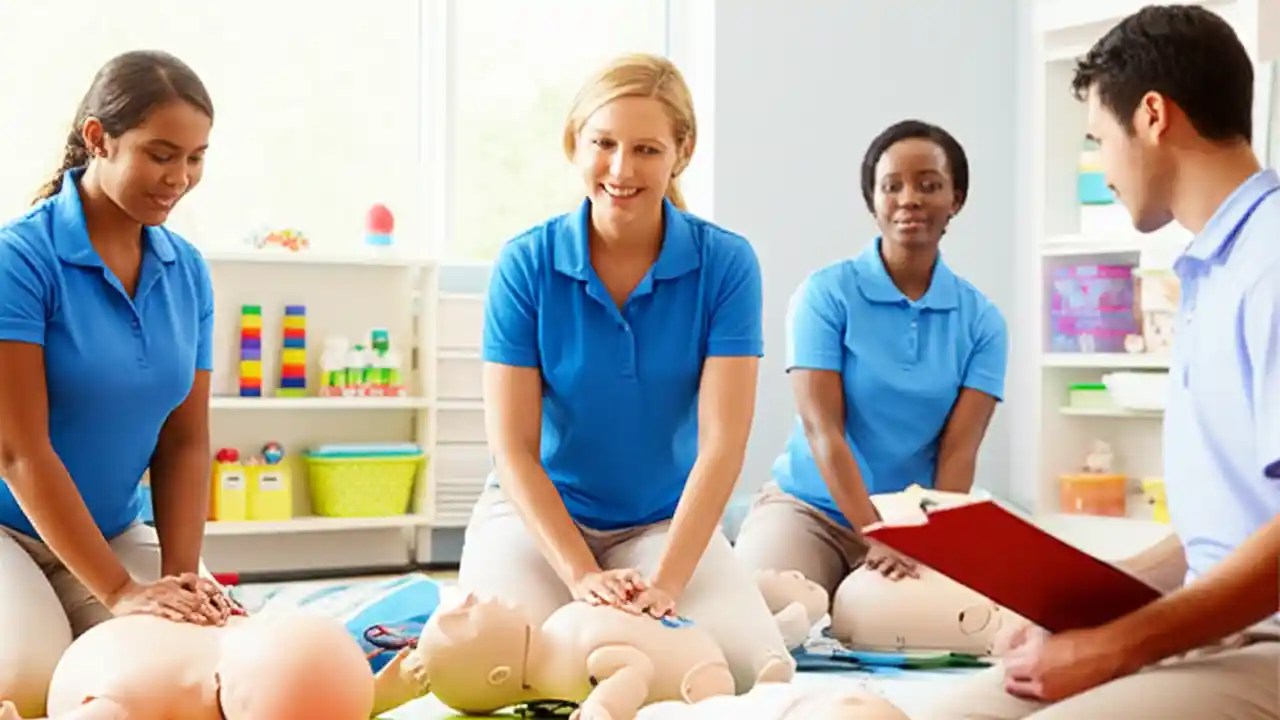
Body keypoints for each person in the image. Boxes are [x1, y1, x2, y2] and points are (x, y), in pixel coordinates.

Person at [918, 6, 1280, 719]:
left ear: (1152, 115)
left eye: (1097, 140)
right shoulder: (1214, 266)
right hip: (1207, 630)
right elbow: (1233, 525)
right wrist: (1092, 606)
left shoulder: (1270, 259)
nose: (1099, 165)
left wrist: (1119, 647)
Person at [457, 52, 791, 694]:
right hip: (539, 521)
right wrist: (582, 576)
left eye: (646, 149)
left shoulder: (726, 264)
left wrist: (667, 583)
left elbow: (723, 444)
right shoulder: (525, 264)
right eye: (603, 143)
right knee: (496, 674)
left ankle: (775, 609)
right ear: (573, 144)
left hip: (661, 524)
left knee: (752, 675)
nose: (621, 169)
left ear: (681, 152)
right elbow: (514, 450)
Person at [0, 50, 231, 716]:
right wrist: (122, 592)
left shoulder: (187, 271)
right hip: (6, 526)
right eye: (161, 154)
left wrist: (178, 580)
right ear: (98, 138)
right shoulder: (20, 259)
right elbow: (17, 450)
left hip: (113, 526)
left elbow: (186, 440)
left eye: (195, 158)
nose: (179, 178)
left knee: (204, 661)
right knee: (25, 679)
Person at [733, 120, 1008, 599]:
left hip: (914, 524)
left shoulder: (982, 321)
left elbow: (958, 453)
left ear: (955, 200)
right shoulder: (826, 294)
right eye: (892, 186)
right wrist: (872, 532)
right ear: (873, 200)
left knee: (929, 622)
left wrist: (931, 540)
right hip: (808, 510)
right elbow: (824, 430)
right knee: (762, 609)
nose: (910, 199)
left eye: (929, 185)